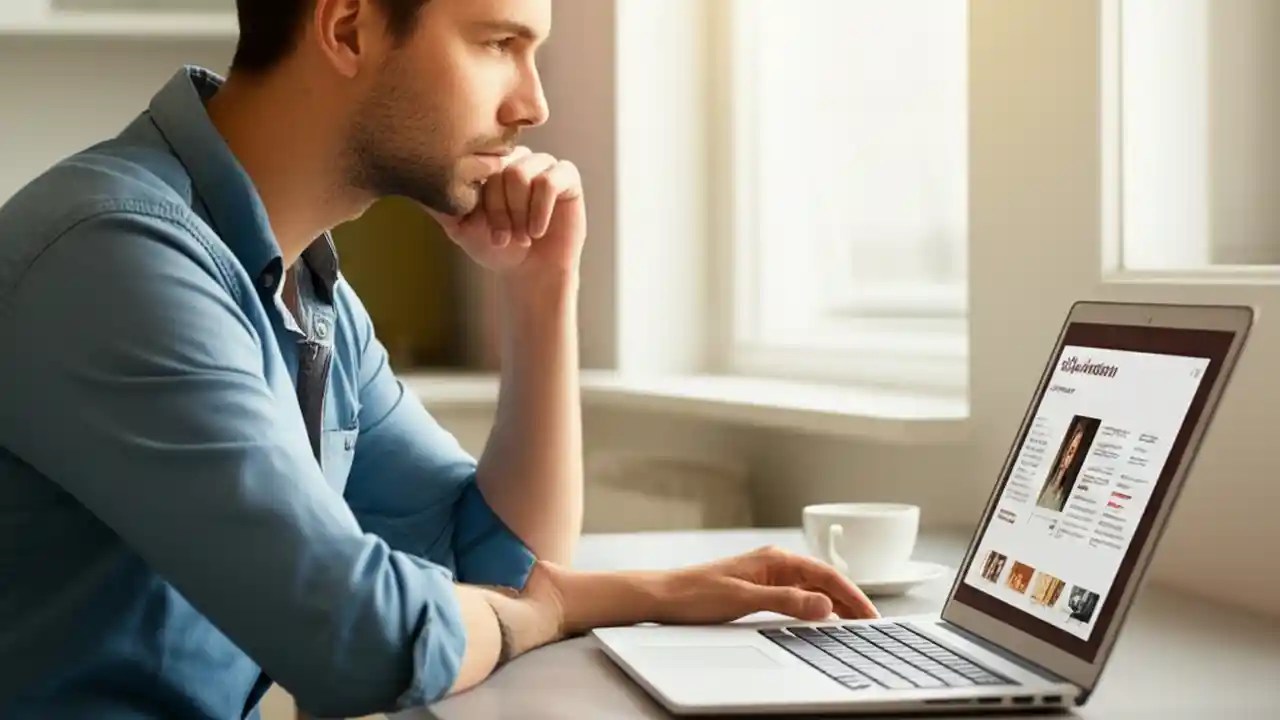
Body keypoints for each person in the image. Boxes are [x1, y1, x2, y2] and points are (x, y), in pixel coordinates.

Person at [0, 1, 878, 717]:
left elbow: (490, 564)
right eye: (499, 43)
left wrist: (540, 293)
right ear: (346, 28)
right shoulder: (118, 259)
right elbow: (359, 643)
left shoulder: (307, 294)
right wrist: (565, 605)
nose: (532, 103)